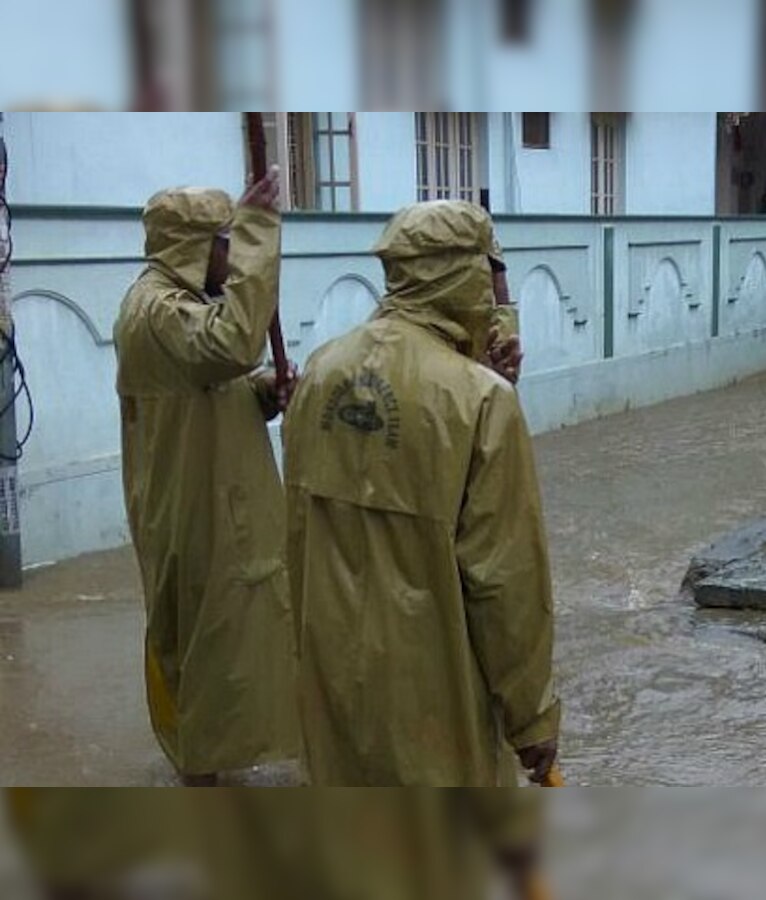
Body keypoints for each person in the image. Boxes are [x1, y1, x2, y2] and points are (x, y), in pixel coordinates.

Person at [283, 200, 560, 786]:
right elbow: (506, 581)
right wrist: (532, 715)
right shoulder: (481, 401)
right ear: (464, 275)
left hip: (332, 685)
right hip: (434, 700)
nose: (494, 297)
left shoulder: (319, 373)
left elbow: (300, 536)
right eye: (491, 277)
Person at [113, 168, 300, 786]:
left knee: (231, 645)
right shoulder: (156, 309)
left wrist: (262, 395)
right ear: (196, 246)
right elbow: (232, 345)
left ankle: (212, 768)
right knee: (204, 646)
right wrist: (258, 235)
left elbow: (211, 386)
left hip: (211, 506)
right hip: (191, 515)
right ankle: (202, 784)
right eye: (224, 241)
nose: (229, 254)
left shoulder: (181, 306)